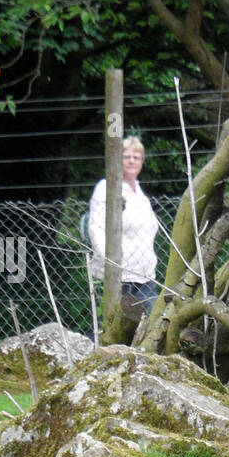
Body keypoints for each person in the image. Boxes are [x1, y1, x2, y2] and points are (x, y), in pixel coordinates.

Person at [88, 136, 160, 322]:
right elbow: (96, 229)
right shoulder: (107, 187)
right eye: (126, 156)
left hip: (145, 277)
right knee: (114, 327)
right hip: (119, 277)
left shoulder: (140, 194)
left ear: (142, 162)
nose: (131, 161)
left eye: (136, 157)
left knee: (151, 326)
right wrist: (111, 265)